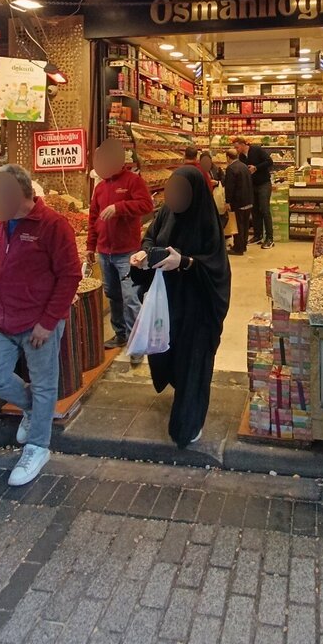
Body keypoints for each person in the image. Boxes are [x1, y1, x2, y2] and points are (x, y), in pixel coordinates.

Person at [0, 164, 81, 486]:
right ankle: (35, 409)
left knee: (46, 384)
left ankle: (38, 446)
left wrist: (48, 322)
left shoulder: (53, 225)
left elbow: (70, 275)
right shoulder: (3, 222)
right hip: (2, 320)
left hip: (38, 323)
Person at [130, 167, 231, 448]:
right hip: (168, 303)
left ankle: (188, 423)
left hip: (197, 309)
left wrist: (185, 262)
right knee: (170, 355)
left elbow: (216, 267)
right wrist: (145, 253)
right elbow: (151, 238)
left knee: (193, 362)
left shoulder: (206, 221)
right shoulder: (166, 213)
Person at [85, 138, 153, 356]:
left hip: (127, 252)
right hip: (105, 252)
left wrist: (119, 207)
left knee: (131, 297)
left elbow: (146, 205)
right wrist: (90, 246)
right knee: (113, 295)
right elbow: (93, 217)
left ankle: (137, 340)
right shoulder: (100, 188)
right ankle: (121, 334)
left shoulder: (133, 181)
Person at [232, 137, 274, 248]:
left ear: (242, 144)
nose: (236, 149)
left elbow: (270, 162)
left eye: (237, 147)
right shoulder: (241, 157)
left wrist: (256, 168)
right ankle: (257, 235)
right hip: (252, 186)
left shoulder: (257, 150)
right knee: (255, 211)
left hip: (264, 184)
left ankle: (269, 238)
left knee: (265, 210)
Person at [223, 148, 253, 255]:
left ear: (228, 157)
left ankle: (238, 248)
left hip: (238, 202)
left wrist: (228, 202)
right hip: (248, 200)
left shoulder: (231, 169)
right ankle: (243, 246)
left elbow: (229, 187)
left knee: (238, 226)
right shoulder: (244, 166)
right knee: (245, 225)